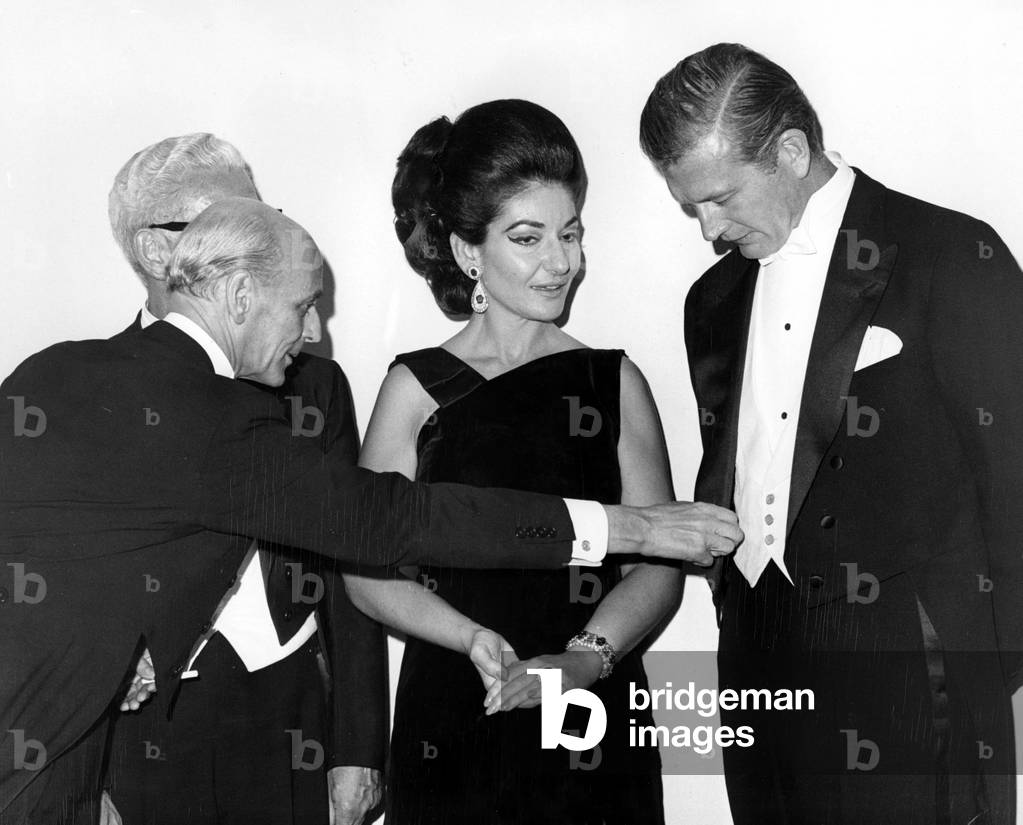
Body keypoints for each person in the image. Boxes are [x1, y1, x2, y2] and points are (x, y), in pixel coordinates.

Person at [0, 196, 742, 822]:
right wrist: (631, 526)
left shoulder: (55, 367)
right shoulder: (219, 420)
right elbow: (396, 519)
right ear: (236, 298)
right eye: (303, 306)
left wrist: (119, 653)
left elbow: (74, 545)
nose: (314, 332)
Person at [639, 43, 1023, 825]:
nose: (708, 228)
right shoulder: (709, 300)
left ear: (788, 150)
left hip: (912, 662)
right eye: (690, 208)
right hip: (755, 656)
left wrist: (987, 677)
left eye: (718, 197)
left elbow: (1016, 472)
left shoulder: (951, 253)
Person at [344, 99, 678, 825]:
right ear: (469, 251)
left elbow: (657, 558)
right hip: (457, 704)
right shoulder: (415, 388)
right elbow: (364, 568)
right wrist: (468, 639)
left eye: (570, 234)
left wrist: (586, 658)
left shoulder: (611, 382)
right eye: (528, 238)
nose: (561, 262)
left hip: (589, 707)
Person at [102, 133, 387, 825]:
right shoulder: (93, 392)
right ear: (156, 252)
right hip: (143, 735)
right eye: (229, 222)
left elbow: (357, 562)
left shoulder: (314, 383)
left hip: (291, 717)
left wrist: (360, 746)